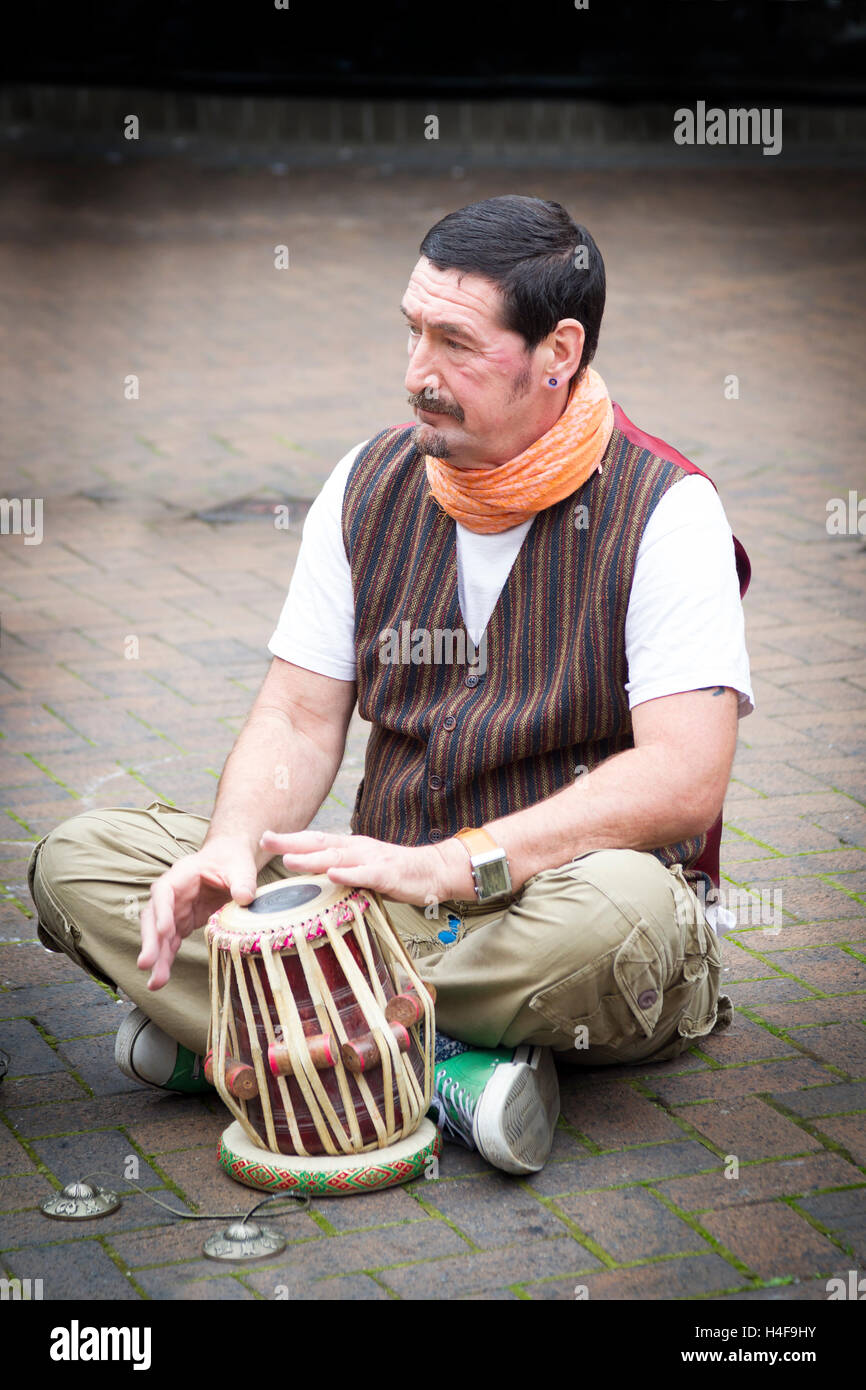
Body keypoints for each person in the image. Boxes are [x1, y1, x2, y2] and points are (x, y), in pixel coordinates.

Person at [27, 195, 753, 1177]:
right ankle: (447, 1065)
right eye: (412, 332)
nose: (418, 373)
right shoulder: (368, 479)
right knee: (80, 861)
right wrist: (231, 848)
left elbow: (679, 780)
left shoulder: (667, 509)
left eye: (455, 342)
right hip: (380, 903)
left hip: (551, 904)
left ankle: (255, 1042)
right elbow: (295, 712)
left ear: (557, 351)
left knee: (622, 915)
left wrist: (459, 867)